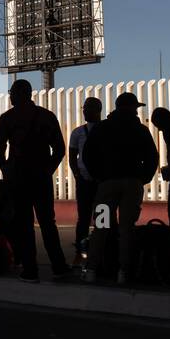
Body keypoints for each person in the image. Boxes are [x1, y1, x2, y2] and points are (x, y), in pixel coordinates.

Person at [0, 78, 69, 282]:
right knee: (47, 223)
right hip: (41, 177)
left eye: (11, 92)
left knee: (24, 225)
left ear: (18, 94)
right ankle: (59, 267)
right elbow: (59, 149)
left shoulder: (8, 118)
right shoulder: (46, 116)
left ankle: (30, 269)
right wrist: (48, 169)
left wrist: (7, 169)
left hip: (18, 178)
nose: (9, 96)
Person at [82, 92, 160, 284]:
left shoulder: (101, 128)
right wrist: (143, 178)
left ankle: (91, 270)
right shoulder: (140, 129)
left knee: (100, 226)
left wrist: (98, 176)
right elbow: (152, 156)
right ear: (132, 108)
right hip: (132, 185)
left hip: (106, 185)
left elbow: (87, 155)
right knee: (126, 229)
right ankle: (124, 272)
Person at [68, 97, 103, 259]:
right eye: (84, 108)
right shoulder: (77, 132)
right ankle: (80, 249)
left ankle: (103, 247)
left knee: (102, 216)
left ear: (98, 110)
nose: (84, 111)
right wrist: (77, 175)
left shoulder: (105, 130)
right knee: (83, 217)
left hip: (101, 182)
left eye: (88, 108)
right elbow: (72, 156)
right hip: (85, 181)